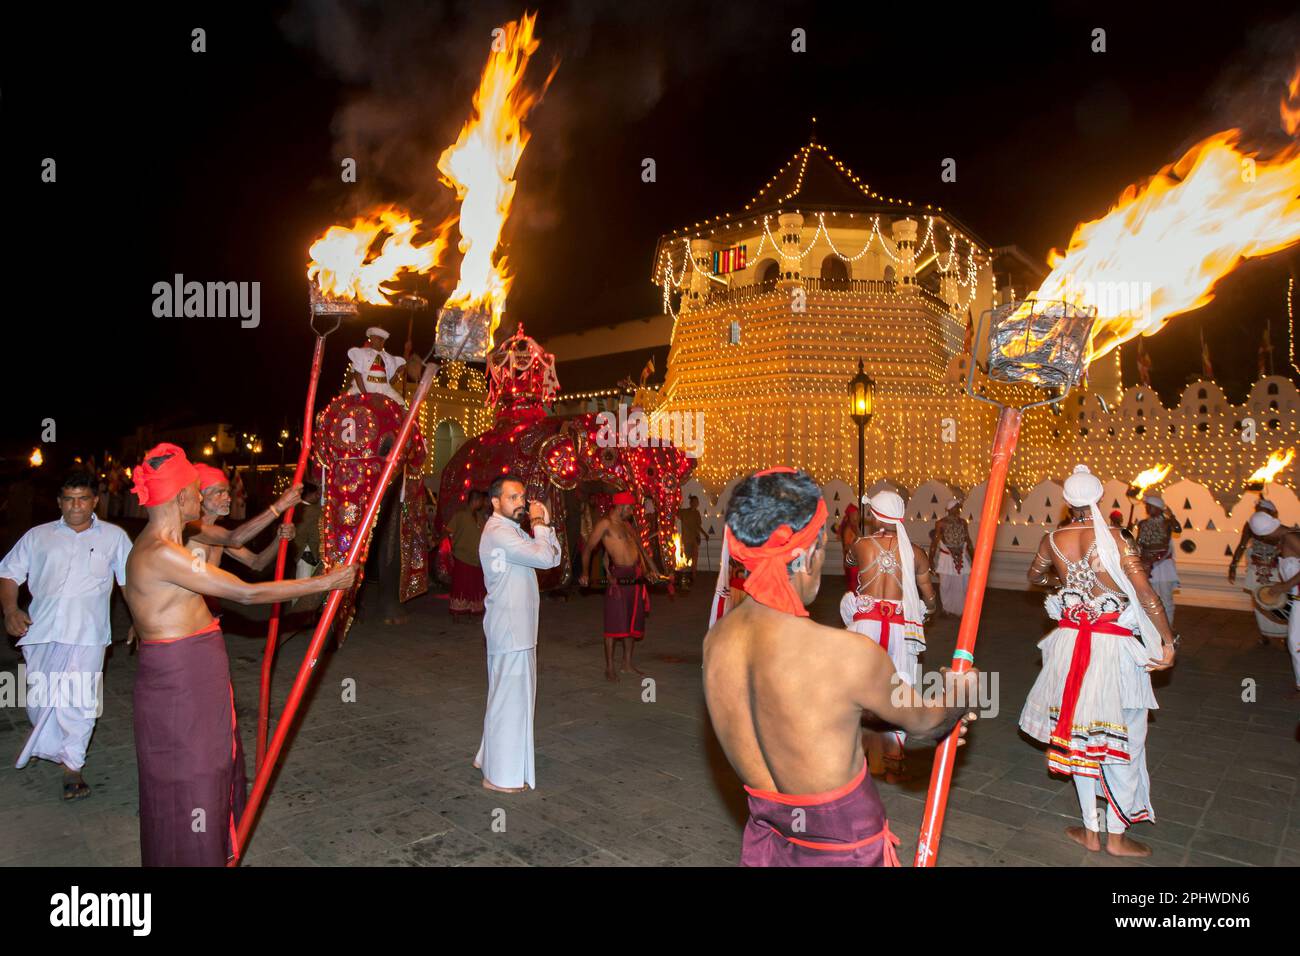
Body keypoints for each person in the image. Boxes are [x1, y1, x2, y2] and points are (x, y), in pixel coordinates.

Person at [702, 467, 976, 867]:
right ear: (805, 555)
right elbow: (926, 722)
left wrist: (871, 721)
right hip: (845, 854)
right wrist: (960, 692)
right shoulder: (848, 655)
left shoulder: (716, 643)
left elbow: (789, 720)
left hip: (767, 846)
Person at [122, 443, 356, 866]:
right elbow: (246, 594)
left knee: (214, 766)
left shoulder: (180, 539)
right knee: (191, 775)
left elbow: (236, 546)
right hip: (180, 678)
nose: (204, 497)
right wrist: (326, 583)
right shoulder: (162, 553)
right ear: (180, 498)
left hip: (198, 666)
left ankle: (212, 851)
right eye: (197, 490)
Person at [1020, 465, 1177, 858]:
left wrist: (1070, 585)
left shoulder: (1053, 538)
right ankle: (1117, 836)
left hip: (1071, 644)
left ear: (1068, 502)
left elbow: (1035, 577)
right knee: (1127, 735)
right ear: (1097, 498)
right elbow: (1146, 596)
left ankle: (1091, 830)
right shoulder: (1117, 538)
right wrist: (1167, 643)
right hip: (1113, 646)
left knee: (1080, 735)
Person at [0, 468, 132, 800]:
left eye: (83, 499)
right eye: (69, 499)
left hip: (88, 633)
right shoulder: (37, 536)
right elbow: (8, 573)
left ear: (95, 501)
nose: (76, 506)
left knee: (80, 701)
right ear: (59, 502)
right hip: (41, 630)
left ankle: (72, 766)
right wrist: (11, 610)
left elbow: (130, 581)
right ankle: (51, 744)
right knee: (39, 699)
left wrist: (140, 620)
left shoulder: (114, 537)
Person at [840, 490, 938, 783]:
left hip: (866, 624)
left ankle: (856, 752)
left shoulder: (861, 545)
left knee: (858, 685)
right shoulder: (915, 552)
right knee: (901, 686)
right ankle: (895, 751)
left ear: (874, 516)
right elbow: (928, 595)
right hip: (899, 626)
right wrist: (928, 609)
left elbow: (848, 561)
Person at [475, 474, 561, 792]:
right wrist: (539, 524)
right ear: (495, 502)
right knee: (509, 702)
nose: (521, 503)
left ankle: (490, 758)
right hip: (510, 629)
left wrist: (544, 526)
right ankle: (499, 776)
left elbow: (552, 558)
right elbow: (543, 556)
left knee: (508, 697)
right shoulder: (500, 532)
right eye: (513, 497)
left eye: (522, 497)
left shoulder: (511, 531)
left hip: (518, 629)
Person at [580, 490, 658, 681]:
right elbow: (588, 548)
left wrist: (649, 570)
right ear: (621, 506)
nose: (632, 511)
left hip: (635, 577)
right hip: (619, 578)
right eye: (630, 507)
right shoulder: (605, 524)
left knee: (632, 621)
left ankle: (627, 664)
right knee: (614, 623)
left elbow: (639, 548)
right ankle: (609, 668)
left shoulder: (627, 525)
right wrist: (585, 572)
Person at [185, 465, 297, 583]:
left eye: (227, 492)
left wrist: (280, 538)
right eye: (219, 492)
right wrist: (279, 506)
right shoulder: (189, 527)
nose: (228, 498)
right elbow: (234, 539)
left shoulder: (218, 535)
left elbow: (257, 563)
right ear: (199, 496)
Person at [1244, 511, 1300, 696]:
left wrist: (1285, 586)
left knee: (1296, 641)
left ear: (1267, 533)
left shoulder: (1291, 538)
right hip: (1296, 594)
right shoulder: (1288, 536)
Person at [1228, 499, 1288, 645]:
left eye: (1263, 510)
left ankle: (1286, 635)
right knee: (1259, 601)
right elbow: (1242, 545)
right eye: (1257, 510)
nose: (1259, 513)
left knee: (1279, 602)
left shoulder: (1278, 528)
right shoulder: (1250, 525)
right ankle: (1265, 635)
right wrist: (1233, 565)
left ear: (1272, 513)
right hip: (1256, 568)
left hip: (1274, 569)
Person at [1131, 495, 1178, 624]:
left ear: (1158, 508)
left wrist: (1171, 515)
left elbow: (1178, 528)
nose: (1146, 508)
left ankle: (1168, 627)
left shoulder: (1167, 523)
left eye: (1149, 506)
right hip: (1146, 563)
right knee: (1147, 598)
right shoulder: (1143, 523)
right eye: (1147, 506)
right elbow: (1139, 542)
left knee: (1165, 599)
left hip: (1163, 565)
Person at [347, 326, 419, 405]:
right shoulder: (362, 353)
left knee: (401, 403)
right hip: (365, 387)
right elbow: (357, 374)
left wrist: (398, 371)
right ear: (372, 339)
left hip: (384, 389)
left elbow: (391, 382)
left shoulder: (388, 358)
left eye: (382, 339)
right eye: (378, 338)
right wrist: (365, 394)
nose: (380, 341)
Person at [446, 490, 488, 619]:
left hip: (476, 559)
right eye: (481, 501)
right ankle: (457, 614)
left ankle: (472, 611)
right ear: (476, 501)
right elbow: (449, 531)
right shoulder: (460, 515)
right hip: (462, 556)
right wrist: (451, 547)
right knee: (461, 586)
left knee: (475, 586)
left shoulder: (480, 517)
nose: (483, 503)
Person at [929, 497, 973, 616]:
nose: (958, 509)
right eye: (955, 507)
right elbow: (934, 542)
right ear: (949, 509)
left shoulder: (963, 522)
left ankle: (963, 610)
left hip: (962, 558)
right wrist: (930, 560)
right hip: (946, 558)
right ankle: (946, 608)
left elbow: (968, 540)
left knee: (963, 584)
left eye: (958, 507)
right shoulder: (941, 523)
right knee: (945, 585)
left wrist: (974, 559)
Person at [676, 495, 708, 583]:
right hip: (686, 539)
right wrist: (677, 501)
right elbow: (675, 511)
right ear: (691, 503)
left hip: (695, 539)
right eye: (694, 502)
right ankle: (686, 576)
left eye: (697, 502)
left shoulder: (697, 513)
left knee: (694, 558)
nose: (696, 503)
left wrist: (705, 534)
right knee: (687, 558)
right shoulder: (684, 512)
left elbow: (698, 526)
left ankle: (693, 576)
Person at [839, 504, 860, 592]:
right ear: (850, 515)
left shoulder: (854, 527)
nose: (857, 516)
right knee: (853, 586)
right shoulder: (848, 529)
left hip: (855, 561)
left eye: (857, 514)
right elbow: (847, 546)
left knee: (856, 585)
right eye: (855, 514)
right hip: (851, 562)